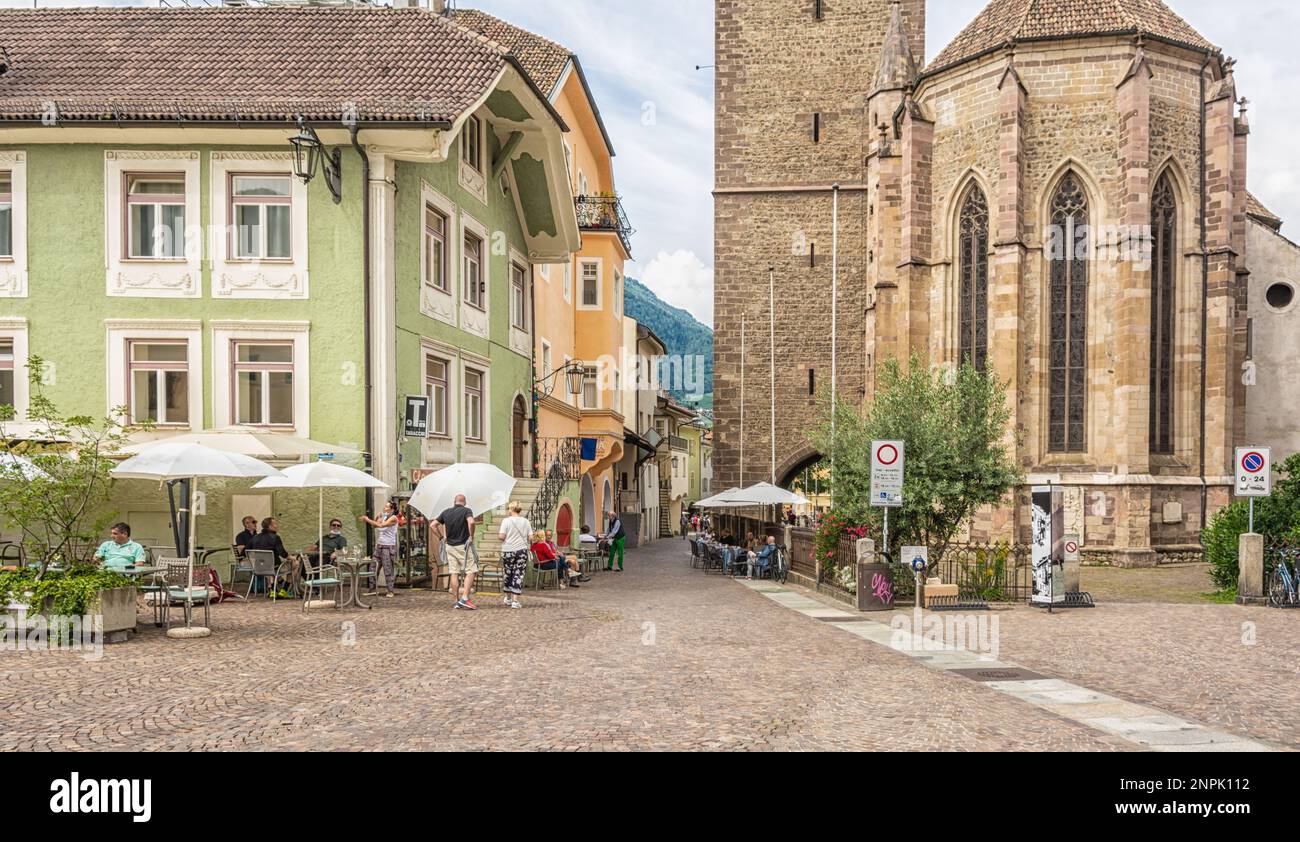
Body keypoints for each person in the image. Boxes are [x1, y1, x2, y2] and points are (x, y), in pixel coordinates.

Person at [436, 494, 477, 610]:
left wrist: (441, 538)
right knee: (471, 570)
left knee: (454, 572)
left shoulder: (446, 512)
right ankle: (464, 598)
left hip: (449, 546)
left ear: (454, 501)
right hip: (462, 546)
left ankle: (455, 601)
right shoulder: (466, 511)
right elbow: (472, 522)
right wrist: (471, 536)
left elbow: (433, 525)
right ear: (464, 502)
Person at [360, 500, 399, 599]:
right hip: (379, 546)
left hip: (388, 546)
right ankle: (372, 589)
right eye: (384, 506)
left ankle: (390, 590)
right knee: (373, 567)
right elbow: (375, 526)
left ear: (392, 509)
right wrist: (377, 517)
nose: (384, 508)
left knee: (387, 569)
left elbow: (381, 525)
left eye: (386, 507)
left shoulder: (394, 518)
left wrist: (367, 519)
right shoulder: (385, 517)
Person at [497, 502, 533, 609]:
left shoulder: (506, 521)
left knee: (508, 573)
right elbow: (531, 537)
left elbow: (502, 537)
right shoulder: (525, 521)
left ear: (511, 509)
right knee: (518, 573)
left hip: (508, 550)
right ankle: (515, 601)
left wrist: (499, 536)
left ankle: (508, 598)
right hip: (521, 551)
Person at [247, 517, 292, 598]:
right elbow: (283, 554)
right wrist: (292, 557)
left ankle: (272, 590)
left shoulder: (255, 537)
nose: (277, 526)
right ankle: (284, 590)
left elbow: (245, 551)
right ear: (270, 526)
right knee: (295, 564)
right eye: (275, 524)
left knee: (268, 564)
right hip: (274, 568)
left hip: (258, 567)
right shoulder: (275, 537)